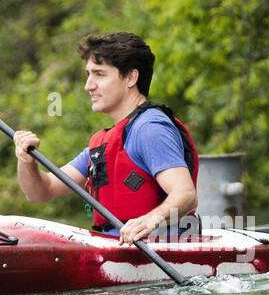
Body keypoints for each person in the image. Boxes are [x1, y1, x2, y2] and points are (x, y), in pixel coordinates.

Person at [14, 32, 200, 244]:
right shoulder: (106, 142)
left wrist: (150, 220)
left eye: (99, 74)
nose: (88, 85)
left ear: (131, 77)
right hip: (116, 248)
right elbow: (43, 191)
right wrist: (27, 161)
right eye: (88, 75)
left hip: (158, 253)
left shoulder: (149, 129)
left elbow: (185, 193)